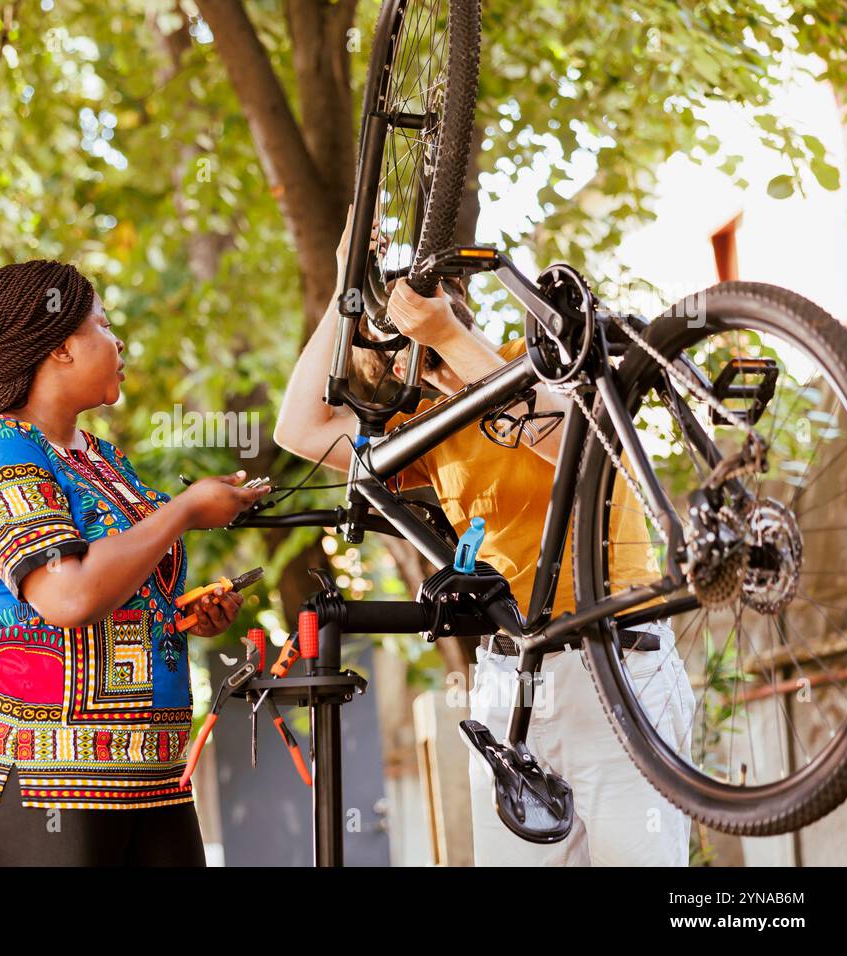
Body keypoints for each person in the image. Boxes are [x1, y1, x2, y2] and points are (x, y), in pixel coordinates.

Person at [274, 208, 697, 865]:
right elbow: (299, 430)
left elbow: (579, 443)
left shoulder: (545, 363)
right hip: (513, 678)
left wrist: (447, 340)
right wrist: (341, 292)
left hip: (617, 666)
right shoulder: (429, 426)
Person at [0, 259, 268, 866]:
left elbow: (122, 585)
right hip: (43, 773)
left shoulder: (103, 459)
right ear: (60, 348)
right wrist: (185, 510)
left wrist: (177, 613)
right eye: (104, 325)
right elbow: (69, 596)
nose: (119, 343)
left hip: (152, 773)